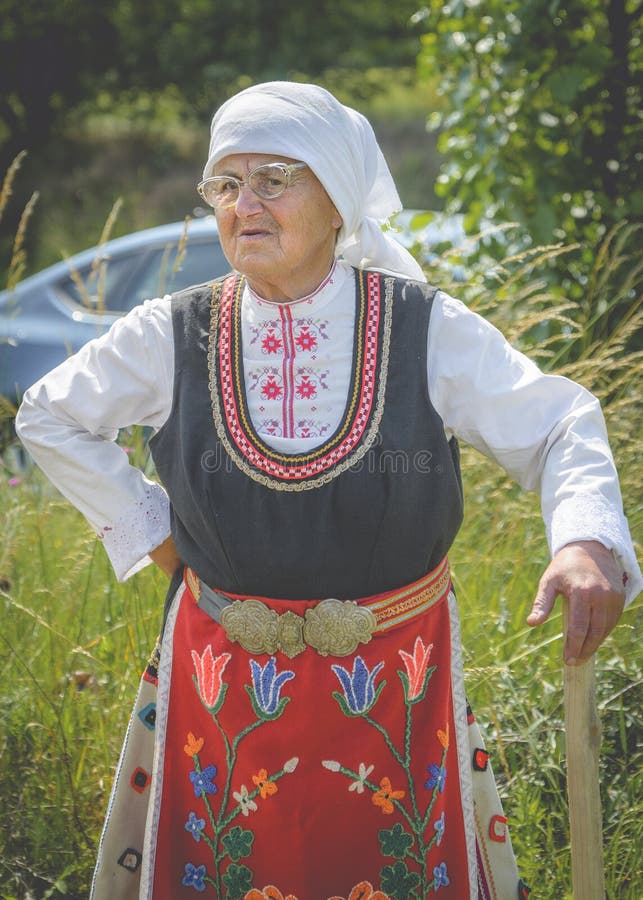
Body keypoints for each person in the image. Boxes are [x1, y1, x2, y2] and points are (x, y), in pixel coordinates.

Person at [16, 81, 640, 900]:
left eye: (273, 179)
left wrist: (585, 541)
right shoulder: (169, 331)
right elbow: (48, 416)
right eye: (226, 185)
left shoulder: (424, 327)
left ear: (338, 199)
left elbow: (559, 422)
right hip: (223, 685)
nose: (245, 205)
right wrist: (153, 533)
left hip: (393, 690)